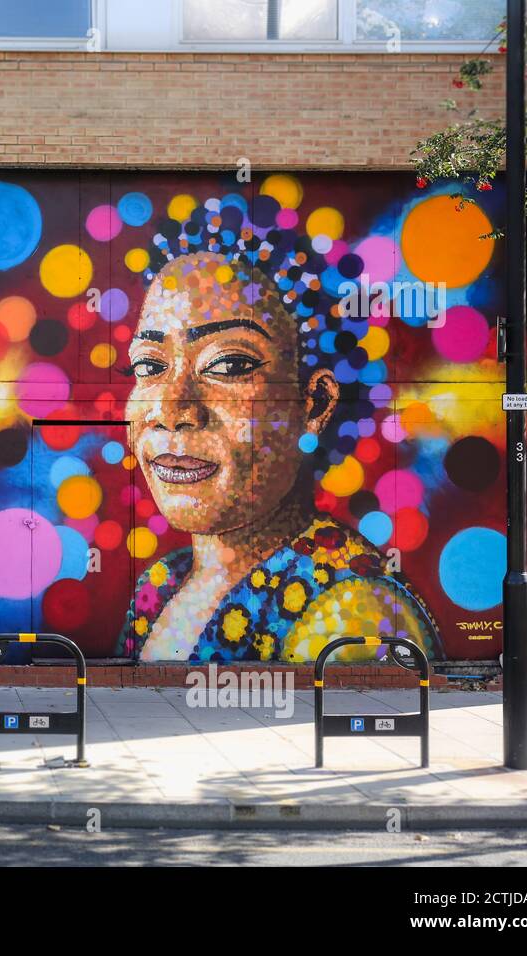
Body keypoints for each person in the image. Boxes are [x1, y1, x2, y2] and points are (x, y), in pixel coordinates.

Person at [116, 196, 439, 664]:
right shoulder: (160, 586)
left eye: (227, 364)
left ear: (315, 404)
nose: (172, 408)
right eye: (149, 365)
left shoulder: (351, 610)